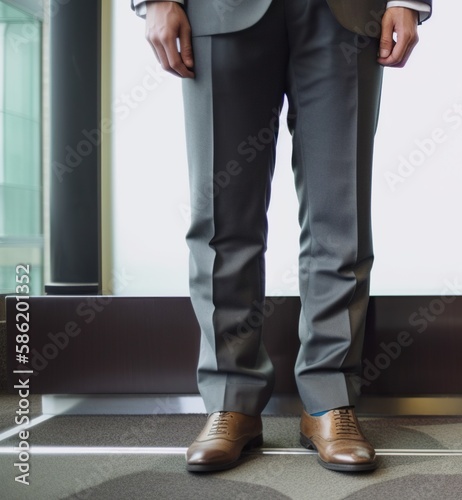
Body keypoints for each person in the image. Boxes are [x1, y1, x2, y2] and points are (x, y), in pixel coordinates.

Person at [132, 0, 431, 473]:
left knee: (341, 215)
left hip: (347, 12)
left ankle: (328, 400)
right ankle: (230, 398)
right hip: (217, 10)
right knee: (221, 218)